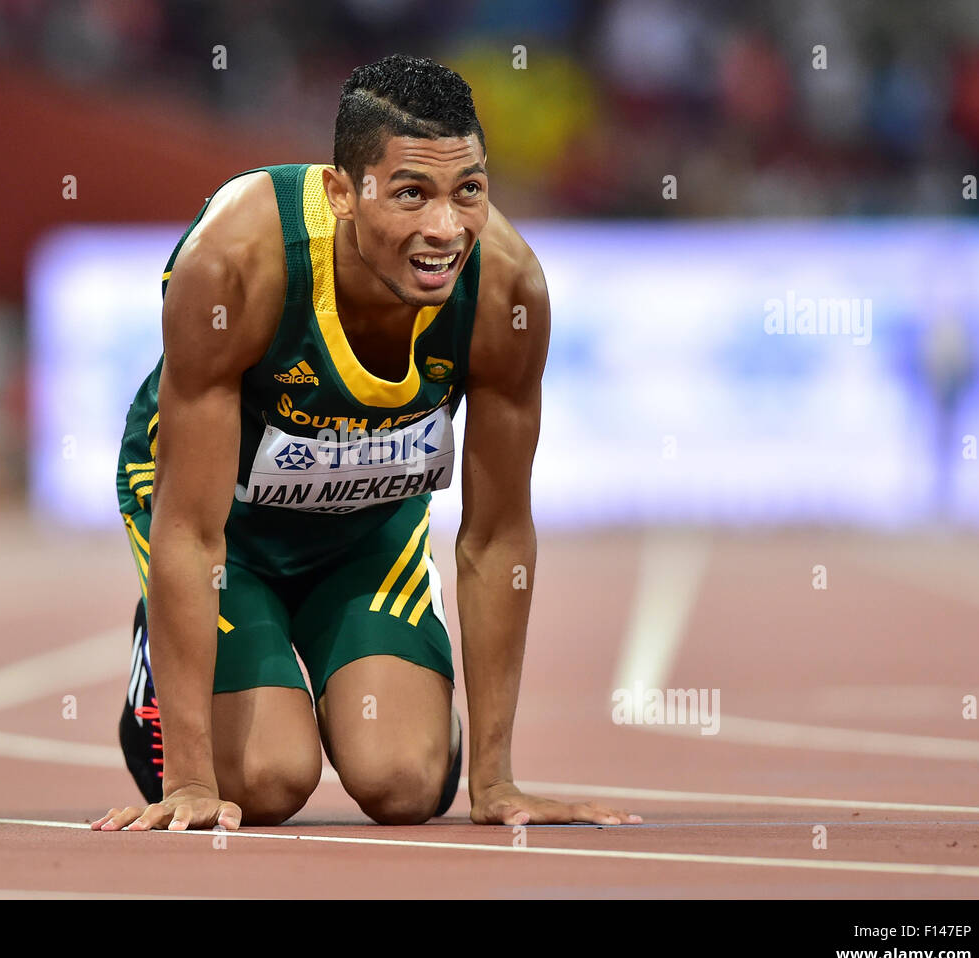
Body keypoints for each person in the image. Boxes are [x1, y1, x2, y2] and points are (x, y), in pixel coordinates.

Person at [92, 54, 641, 832]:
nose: (446, 231)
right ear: (342, 192)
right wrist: (186, 777)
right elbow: (190, 530)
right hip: (223, 528)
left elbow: (496, 536)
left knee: (405, 786)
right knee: (265, 784)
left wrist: (496, 779)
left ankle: (404, 718)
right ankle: (161, 683)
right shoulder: (236, 262)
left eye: (470, 192)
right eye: (412, 193)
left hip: (367, 524)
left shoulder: (507, 293)